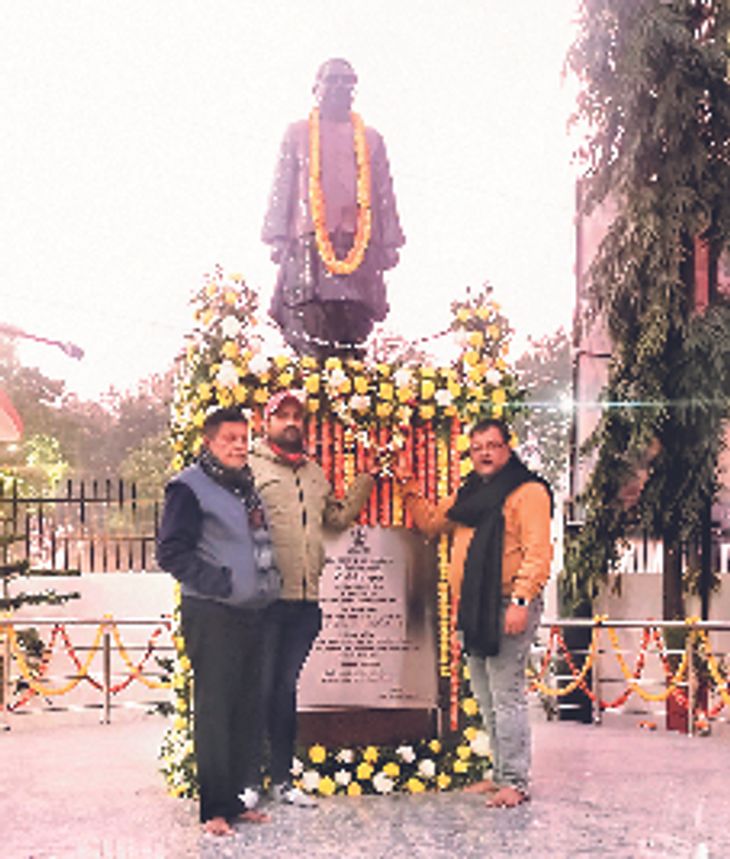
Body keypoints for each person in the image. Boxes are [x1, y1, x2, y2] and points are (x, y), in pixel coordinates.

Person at [395, 418, 552, 808]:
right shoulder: (470, 495)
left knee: (506, 694)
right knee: (485, 694)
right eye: (477, 446)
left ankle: (515, 780)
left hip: (507, 604)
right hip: (475, 608)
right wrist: (407, 484)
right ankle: (500, 774)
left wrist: (520, 601)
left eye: (492, 445)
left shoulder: (527, 491)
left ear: (508, 447)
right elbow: (432, 523)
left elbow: (538, 552)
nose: (484, 452)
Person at [157, 408, 281, 836]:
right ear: (209, 442)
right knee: (215, 708)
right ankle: (213, 807)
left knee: (246, 707)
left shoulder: (245, 487)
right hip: (213, 613)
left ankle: (234, 800)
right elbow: (171, 552)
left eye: (244, 437)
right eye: (229, 437)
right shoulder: (189, 487)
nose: (238, 444)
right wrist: (222, 583)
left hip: (251, 614)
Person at [248, 390, 375, 805]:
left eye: (296, 417)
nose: (290, 422)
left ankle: (283, 780)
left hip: (305, 604)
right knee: (260, 689)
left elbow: (336, 520)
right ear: (265, 423)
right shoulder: (249, 467)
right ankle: (249, 781)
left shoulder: (314, 473)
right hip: (265, 601)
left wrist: (365, 480)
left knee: (285, 690)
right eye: (281, 415)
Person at [262, 57, 405, 359]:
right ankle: (317, 390)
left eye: (348, 81)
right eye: (333, 80)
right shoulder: (297, 134)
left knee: (353, 329)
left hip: (358, 245)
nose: (340, 87)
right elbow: (283, 184)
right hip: (310, 245)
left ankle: (350, 392)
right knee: (309, 325)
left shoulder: (371, 139)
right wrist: (277, 237)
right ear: (316, 88)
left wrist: (390, 242)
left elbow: (383, 194)